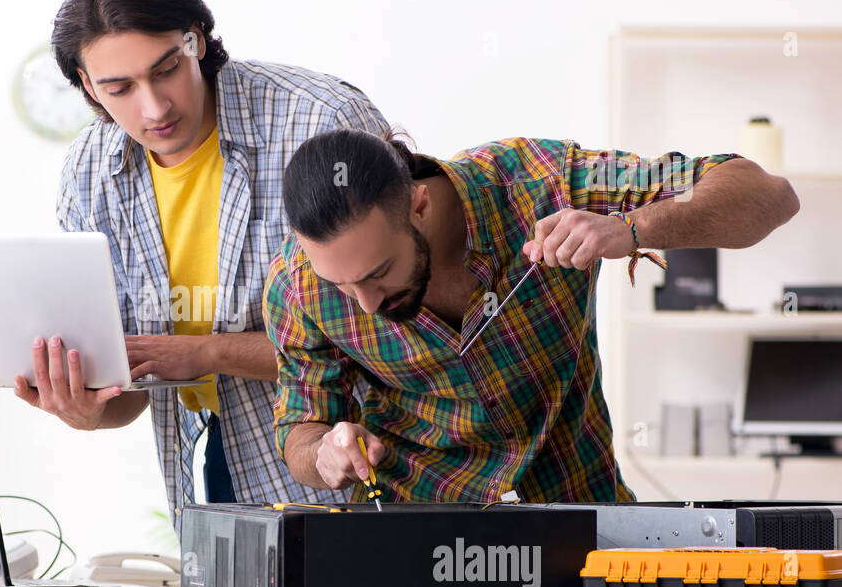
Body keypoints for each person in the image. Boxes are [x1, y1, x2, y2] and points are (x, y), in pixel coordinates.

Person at [11, 0, 388, 521]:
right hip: (210, 468)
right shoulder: (90, 173)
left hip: (364, 472)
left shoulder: (320, 123)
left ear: (198, 42)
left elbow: (384, 332)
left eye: (165, 69)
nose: (154, 107)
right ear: (87, 86)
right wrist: (85, 408)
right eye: (119, 87)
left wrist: (206, 353)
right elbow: (132, 387)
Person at [264, 128, 799, 503]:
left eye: (379, 272)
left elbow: (769, 195)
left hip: (581, 525)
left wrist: (630, 229)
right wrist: (328, 455)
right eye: (342, 284)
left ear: (419, 206)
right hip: (414, 540)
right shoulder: (296, 284)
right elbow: (301, 431)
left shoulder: (543, 185)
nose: (366, 303)